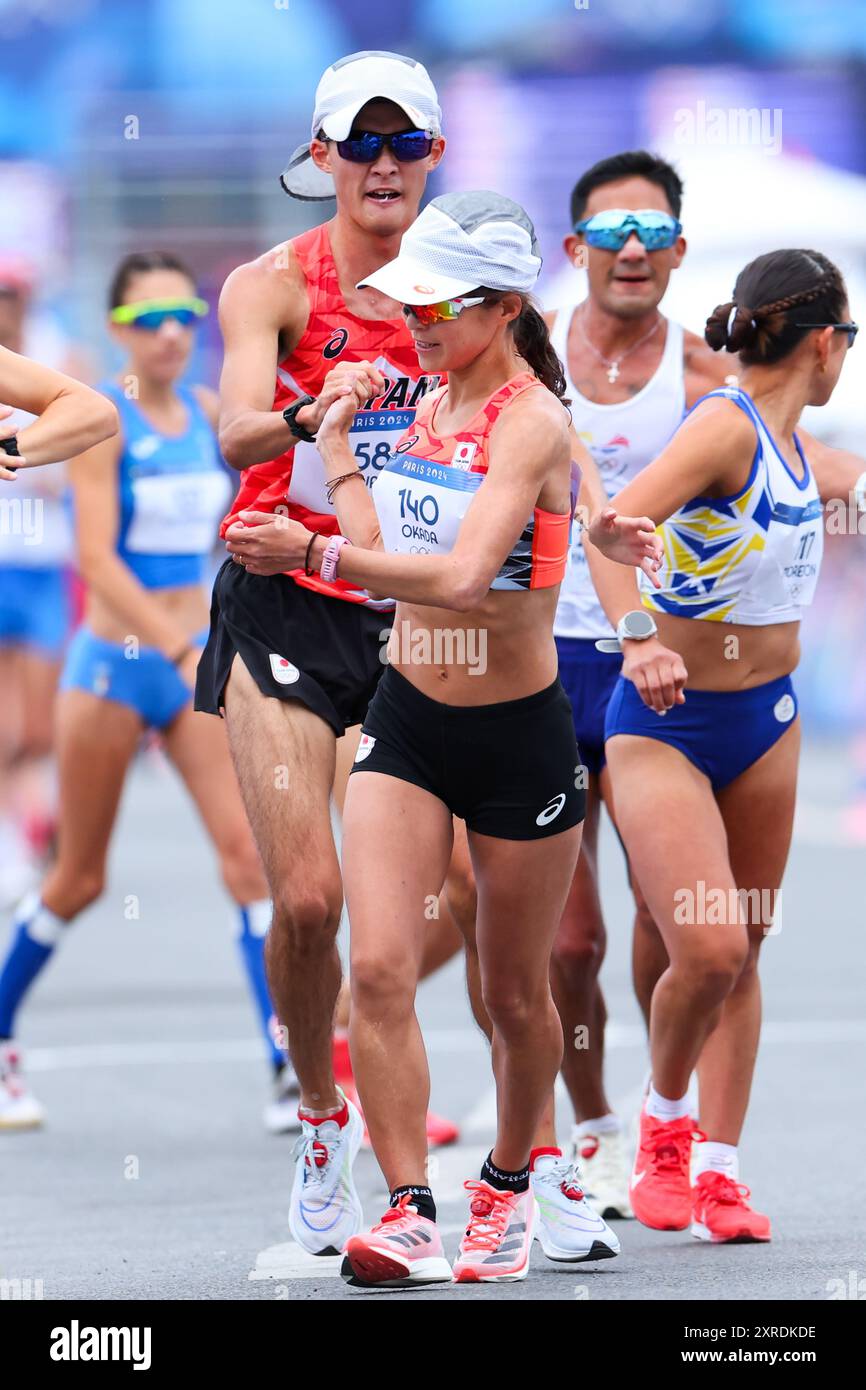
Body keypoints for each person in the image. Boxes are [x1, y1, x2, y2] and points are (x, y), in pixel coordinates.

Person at [225, 191, 663, 1285]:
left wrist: (314, 555)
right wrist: (338, 450)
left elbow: (466, 581)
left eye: (433, 302)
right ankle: (411, 1203)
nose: (409, 318)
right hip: (409, 720)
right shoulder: (410, 401)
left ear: (503, 305)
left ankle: (513, 1182)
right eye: (405, 297)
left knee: (517, 996)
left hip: (520, 733)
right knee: (374, 967)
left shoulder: (530, 421)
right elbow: (382, 552)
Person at [194, 50, 478, 1253]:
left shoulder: (467, 297)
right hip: (283, 600)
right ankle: (322, 1122)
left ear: (434, 157)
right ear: (320, 160)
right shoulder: (272, 286)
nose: (380, 164)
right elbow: (232, 432)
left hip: (410, 612)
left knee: (438, 905)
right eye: (356, 144)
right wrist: (322, 411)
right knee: (306, 899)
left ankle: (370, 1028)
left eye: (401, 142)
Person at [590, 247, 861, 1242]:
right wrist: (635, 638)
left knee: (741, 947)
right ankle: (661, 1125)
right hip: (665, 724)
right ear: (824, 343)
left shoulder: (803, 452)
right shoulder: (722, 429)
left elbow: (853, 487)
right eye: (848, 340)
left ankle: (719, 1171)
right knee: (702, 944)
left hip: (765, 724)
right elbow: (607, 531)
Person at [0, 251, 294, 1133]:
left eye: (183, 316)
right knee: (82, 877)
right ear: (118, 327)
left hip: (191, 657)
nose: (169, 333)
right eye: (148, 318)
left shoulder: (210, 413)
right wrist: (171, 646)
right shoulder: (107, 420)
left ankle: (287, 1065)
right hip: (119, 663)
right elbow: (95, 559)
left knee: (249, 862)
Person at [543, 151, 728, 1215]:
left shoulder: (703, 379)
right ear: (574, 249)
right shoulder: (526, 362)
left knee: (669, 932)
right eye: (610, 232)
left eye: (651, 235)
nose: (630, 250)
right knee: (571, 938)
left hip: (654, 671)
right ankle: (594, 1128)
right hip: (537, 665)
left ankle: (669, 1124)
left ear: (676, 253)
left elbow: (798, 458)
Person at [0, 259, 93, 905]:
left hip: (40, 563)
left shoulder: (62, 358)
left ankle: (37, 818)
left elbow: (89, 448)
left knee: (37, 728)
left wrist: (25, 451)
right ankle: (19, 838)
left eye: (12, 294)